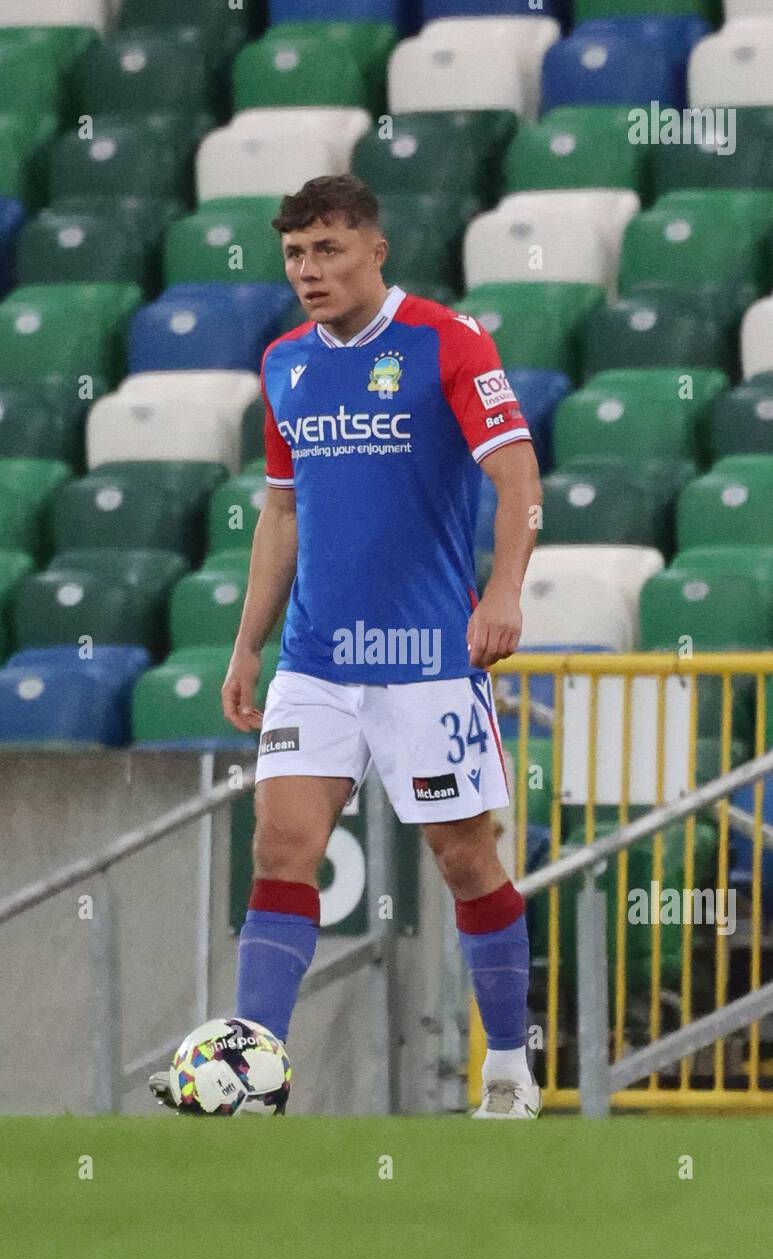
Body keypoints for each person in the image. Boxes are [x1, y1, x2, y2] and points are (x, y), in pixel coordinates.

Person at [154, 173, 543, 1118]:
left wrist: (502, 592)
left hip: (427, 662)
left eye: (327, 250)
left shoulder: (448, 342)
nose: (307, 270)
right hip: (316, 662)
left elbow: (518, 472)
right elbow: (280, 514)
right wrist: (248, 646)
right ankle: (256, 1074)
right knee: (282, 850)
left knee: (464, 859)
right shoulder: (285, 360)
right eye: (293, 254)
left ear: (375, 249)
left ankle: (508, 1068)